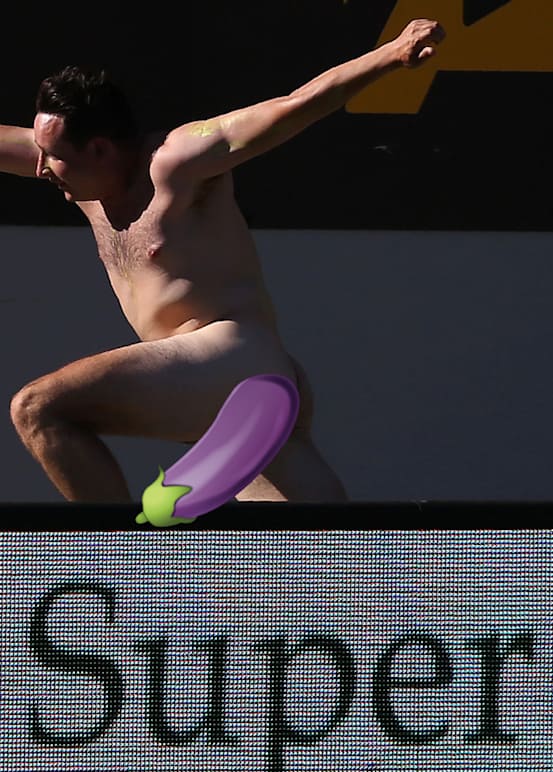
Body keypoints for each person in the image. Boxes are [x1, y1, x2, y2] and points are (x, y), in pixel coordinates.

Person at [0, 18, 445, 502]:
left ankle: (117, 562)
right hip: (217, 398)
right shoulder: (78, 174)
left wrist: (392, 54)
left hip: (234, 360)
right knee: (316, 560)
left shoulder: (179, 160)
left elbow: (293, 106)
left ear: (100, 148)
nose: (39, 166)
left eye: (50, 155)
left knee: (39, 407)